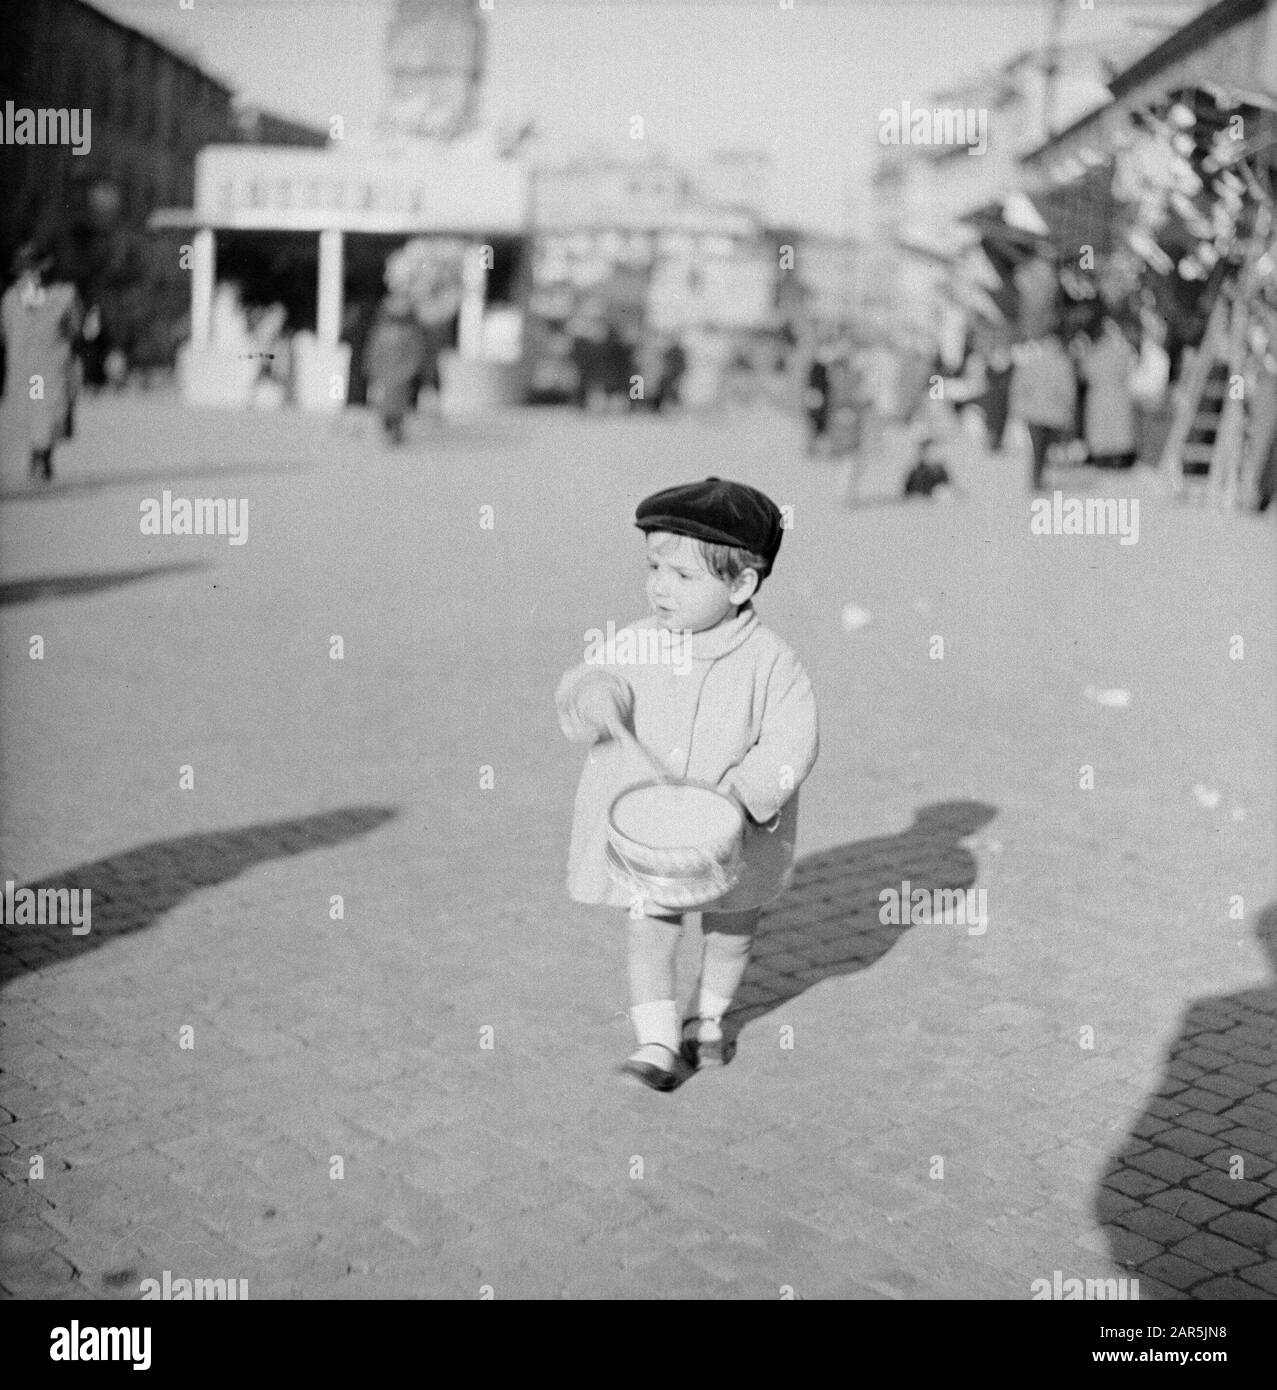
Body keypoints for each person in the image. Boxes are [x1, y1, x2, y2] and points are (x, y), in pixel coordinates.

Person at [555, 478, 819, 1091]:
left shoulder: (772, 661)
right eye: (653, 568)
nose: (657, 588)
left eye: (681, 577)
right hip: (654, 834)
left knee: (730, 936)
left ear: (741, 585)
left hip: (739, 837)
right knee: (651, 930)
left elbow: (791, 744)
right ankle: (656, 1042)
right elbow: (596, 678)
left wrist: (743, 793)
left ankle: (709, 1019)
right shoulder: (639, 639)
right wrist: (593, 693)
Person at [0, 243, 82, 484]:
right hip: (26, 369)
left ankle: (42, 455)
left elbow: (74, 329)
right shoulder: (11, 300)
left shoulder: (64, 295)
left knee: (48, 411)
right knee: (35, 410)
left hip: (52, 366)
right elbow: (6, 331)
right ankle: (39, 455)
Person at [1010, 332, 1077, 491]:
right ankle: (1039, 478)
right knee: (1046, 447)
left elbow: (1019, 386)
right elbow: (1068, 390)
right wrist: (1069, 409)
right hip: (1053, 413)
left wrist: (1018, 407)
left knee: (1037, 448)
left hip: (1033, 413)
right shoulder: (1063, 363)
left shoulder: (1032, 362)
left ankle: (1036, 478)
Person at [362, 293, 428, 445]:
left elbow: (416, 354)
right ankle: (387, 429)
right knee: (383, 405)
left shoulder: (411, 333)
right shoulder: (380, 332)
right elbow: (373, 352)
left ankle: (397, 430)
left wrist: (409, 371)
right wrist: (372, 370)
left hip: (401, 376)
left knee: (399, 405)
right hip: (384, 375)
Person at [1081, 316, 1138, 468]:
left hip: (1104, 393)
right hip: (1113, 392)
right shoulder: (1123, 350)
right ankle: (1112, 458)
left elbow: (1086, 371)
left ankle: (1106, 457)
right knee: (1112, 427)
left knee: (1107, 427)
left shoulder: (1097, 351)